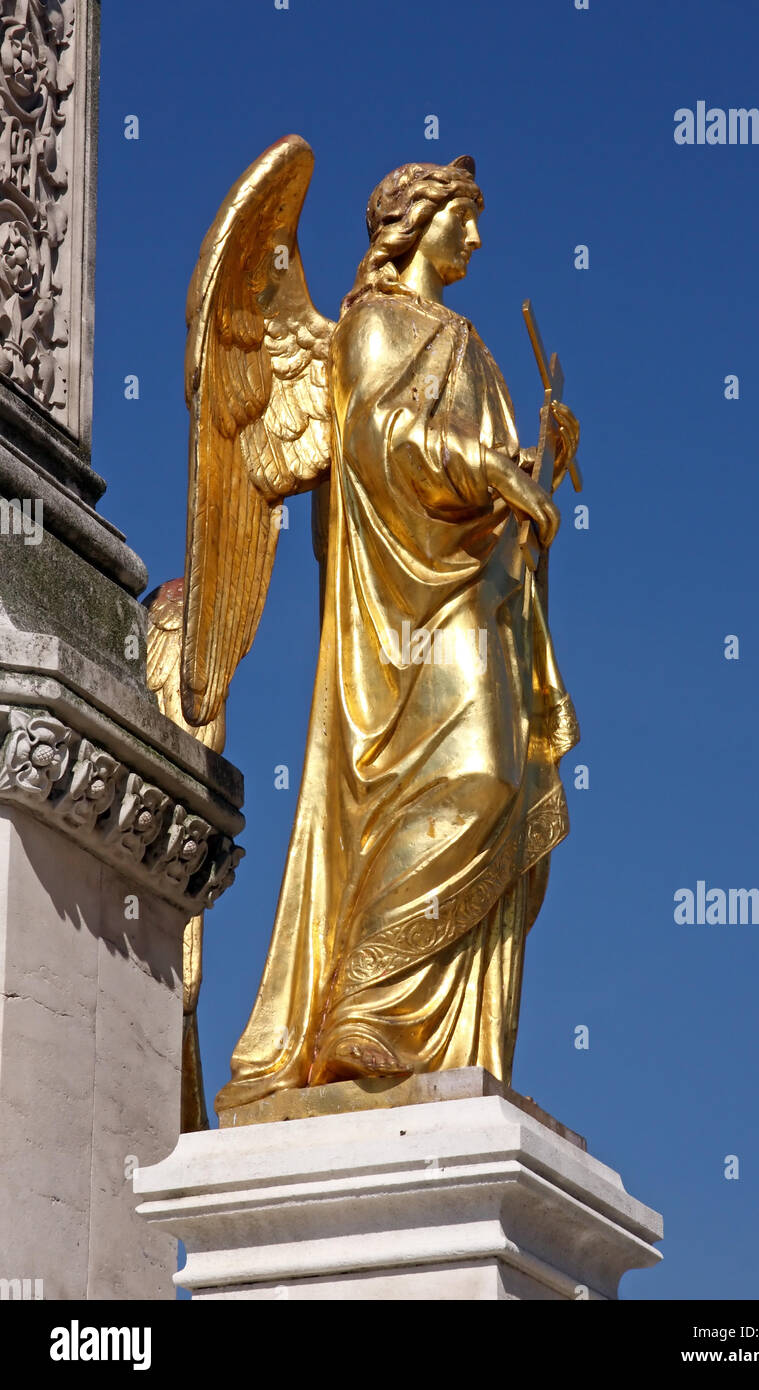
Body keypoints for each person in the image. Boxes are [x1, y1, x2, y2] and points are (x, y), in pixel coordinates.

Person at [214, 155, 579, 1113]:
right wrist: (488, 472)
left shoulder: (476, 345)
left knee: (500, 778)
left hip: (479, 594)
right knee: (479, 775)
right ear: (416, 223)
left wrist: (537, 463)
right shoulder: (374, 326)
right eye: (466, 216)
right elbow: (381, 443)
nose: (479, 238)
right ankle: (362, 1009)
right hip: (404, 612)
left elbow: (489, 474)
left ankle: (436, 1037)